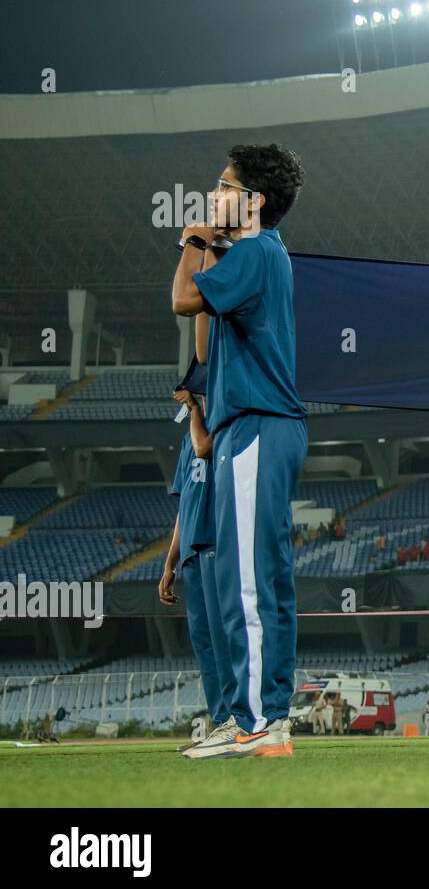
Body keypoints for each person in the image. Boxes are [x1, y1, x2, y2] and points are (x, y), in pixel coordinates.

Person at [171, 143, 308, 759]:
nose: (213, 194)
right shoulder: (252, 254)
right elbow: (202, 345)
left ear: (253, 201)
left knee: (251, 582)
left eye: (223, 185)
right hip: (247, 427)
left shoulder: (254, 249)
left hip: (257, 425)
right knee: (248, 578)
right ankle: (252, 718)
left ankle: (260, 723)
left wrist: (193, 242)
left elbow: (181, 300)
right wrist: (213, 248)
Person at [160, 384, 242, 760]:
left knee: (222, 640)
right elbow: (183, 507)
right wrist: (169, 563)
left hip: (214, 543)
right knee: (204, 642)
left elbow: (201, 448)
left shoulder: (223, 430)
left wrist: (195, 409)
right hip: (191, 552)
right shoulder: (184, 441)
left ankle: (237, 722)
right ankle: (220, 721)